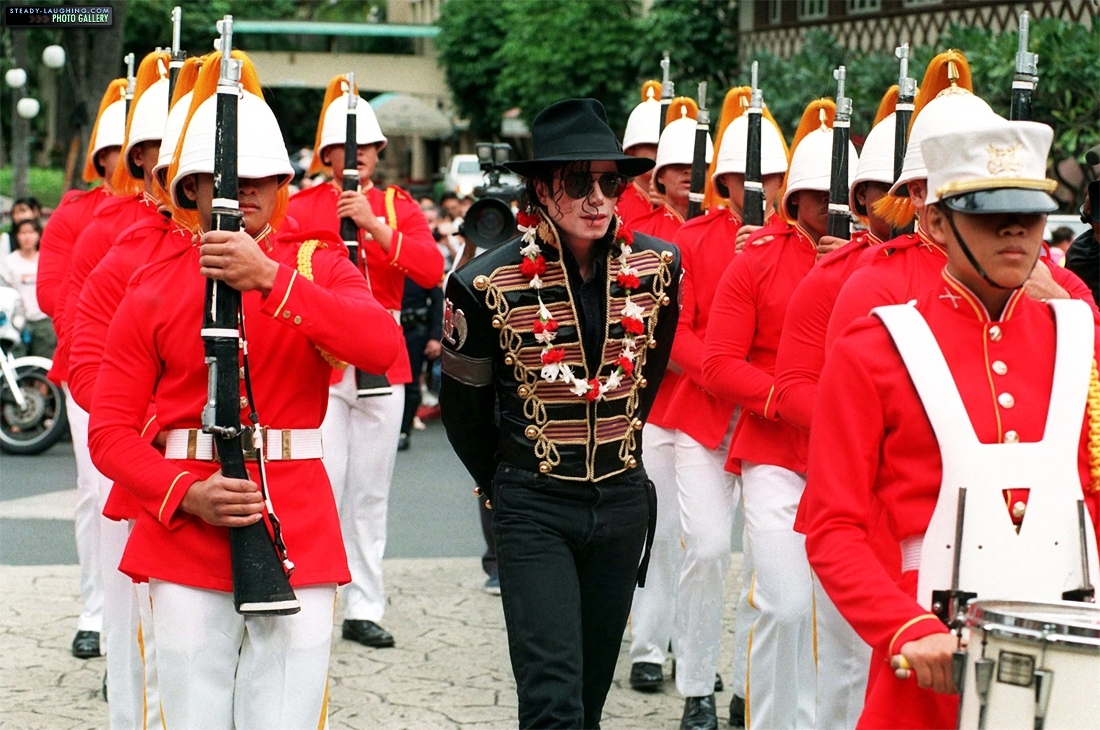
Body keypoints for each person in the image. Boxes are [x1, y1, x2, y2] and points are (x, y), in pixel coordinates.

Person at [87, 56, 403, 728]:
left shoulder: (317, 264)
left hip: (293, 515)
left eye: (262, 177)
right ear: (191, 187)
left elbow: (383, 347)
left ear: (283, 183)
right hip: (189, 515)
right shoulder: (150, 287)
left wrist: (272, 281)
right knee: (191, 712)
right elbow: (109, 432)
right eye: (223, 178)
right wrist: (183, 491)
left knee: (285, 715)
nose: (243, 190)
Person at [800, 116, 1100, 730]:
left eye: (1031, 212)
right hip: (934, 649)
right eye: (988, 213)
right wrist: (903, 626)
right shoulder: (875, 349)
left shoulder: (1079, 338)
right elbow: (832, 526)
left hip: (1070, 646)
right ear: (936, 221)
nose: (1015, 228)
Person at [440, 98, 681, 729]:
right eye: (579, 182)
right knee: (552, 698)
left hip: (622, 498)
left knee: (591, 692)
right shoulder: (483, 284)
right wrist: (508, 486)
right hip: (533, 503)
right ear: (542, 190)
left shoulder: (659, 268)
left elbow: (646, 377)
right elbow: (466, 415)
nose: (598, 198)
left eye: (611, 182)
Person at [702, 98, 856, 730]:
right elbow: (717, 363)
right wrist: (782, 400)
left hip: (852, 460)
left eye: (851, 192)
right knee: (785, 606)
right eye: (820, 194)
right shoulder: (758, 260)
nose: (836, 206)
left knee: (844, 623)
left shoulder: (879, 265)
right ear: (793, 201)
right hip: (776, 454)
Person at [287, 75, 444, 650]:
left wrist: (374, 226)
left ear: (379, 152)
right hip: (320, 360)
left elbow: (430, 270)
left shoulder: (397, 207)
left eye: (366, 149)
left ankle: (365, 605)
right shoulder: (300, 206)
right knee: (320, 484)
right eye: (344, 151)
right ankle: (313, 595)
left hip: (381, 360)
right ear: (326, 155)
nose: (356, 159)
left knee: (370, 493)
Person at [769, 86, 902, 730]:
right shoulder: (831, 277)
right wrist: (867, 432)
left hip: (953, 503)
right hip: (847, 485)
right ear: (863, 201)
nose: (908, 202)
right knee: (847, 666)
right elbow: (791, 382)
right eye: (889, 189)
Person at [827, 52, 1098, 353]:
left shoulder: (1057, 282)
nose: (1009, 223)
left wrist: (1058, 301)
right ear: (917, 192)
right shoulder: (873, 284)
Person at [664, 86, 788, 730]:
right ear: (724, 180)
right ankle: (696, 687)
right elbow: (673, 330)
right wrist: (718, 369)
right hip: (707, 413)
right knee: (709, 549)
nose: (756, 187)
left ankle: (749, 683)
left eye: (768, 175)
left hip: (771, 422)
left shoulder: (799, 245)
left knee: (769, 565)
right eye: (743, 176)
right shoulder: (693, 237)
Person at [36, 77, 126, 661]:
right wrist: (101, 359)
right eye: (123, 149)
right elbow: (55, 295)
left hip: (164, 369)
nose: (134, 161)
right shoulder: (76, 214)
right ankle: (97, 612)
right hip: (92, 368)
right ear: (103, 155)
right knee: (98, 495)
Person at [631, 99, 713, 240]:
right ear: (660, 175)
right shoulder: (639, 232)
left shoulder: (727, 227)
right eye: (677, 165)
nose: (688, 171)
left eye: (697, 166)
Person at [398, 276, 444, 451]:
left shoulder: (420, 261)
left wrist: (435, 337)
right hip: (391, 324)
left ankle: (404, 431)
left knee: (411, 382)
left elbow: (437, 301)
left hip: (415, 329)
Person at [0, 219, 55, 358]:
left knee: (43, 366)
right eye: (23, 233)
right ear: (17, 236)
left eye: (31, 232)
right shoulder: (9, 262)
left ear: (38, 235)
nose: (27, 237)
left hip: (43, 320)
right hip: (18, 322)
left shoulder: (47, 259)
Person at [617, 80, 663, 228]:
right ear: (631, 153)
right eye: (652, 146)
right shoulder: (617, 202)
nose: (661, 152)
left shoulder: (684, 202)